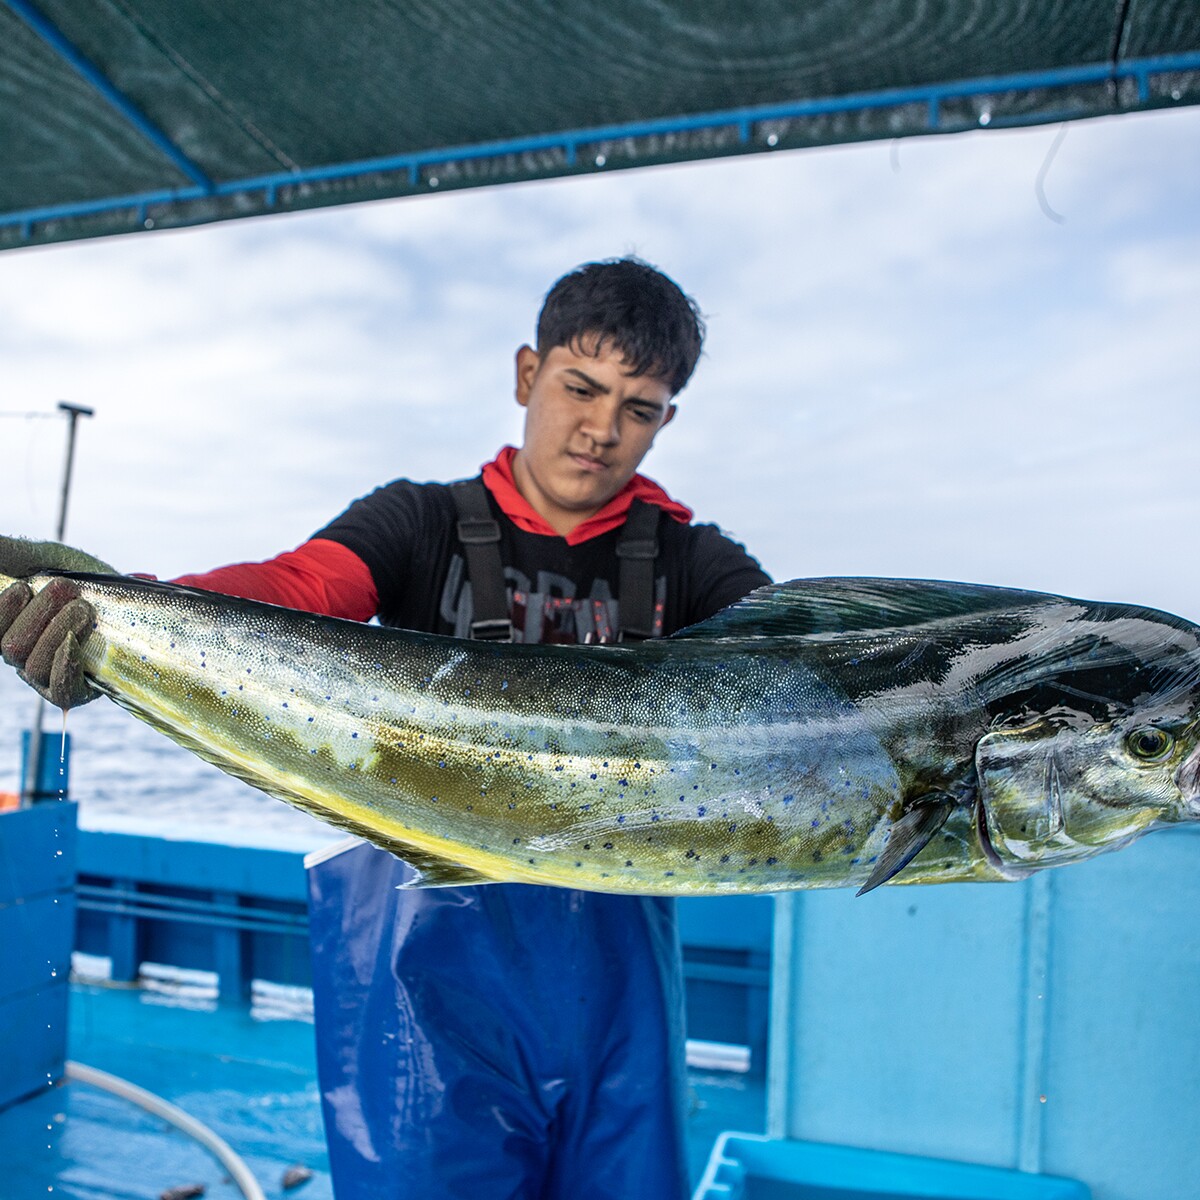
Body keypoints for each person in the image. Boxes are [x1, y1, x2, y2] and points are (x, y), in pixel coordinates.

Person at [0, 257, 770, 1199]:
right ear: (528, 374)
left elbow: (805, 673)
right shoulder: (419, 523)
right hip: (423, 1005)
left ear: (667, 421)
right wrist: (123, 623)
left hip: (619, 1012)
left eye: (640, 407)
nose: (603, 429)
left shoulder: (698, 564)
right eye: (582, 387)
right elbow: (297, 590)